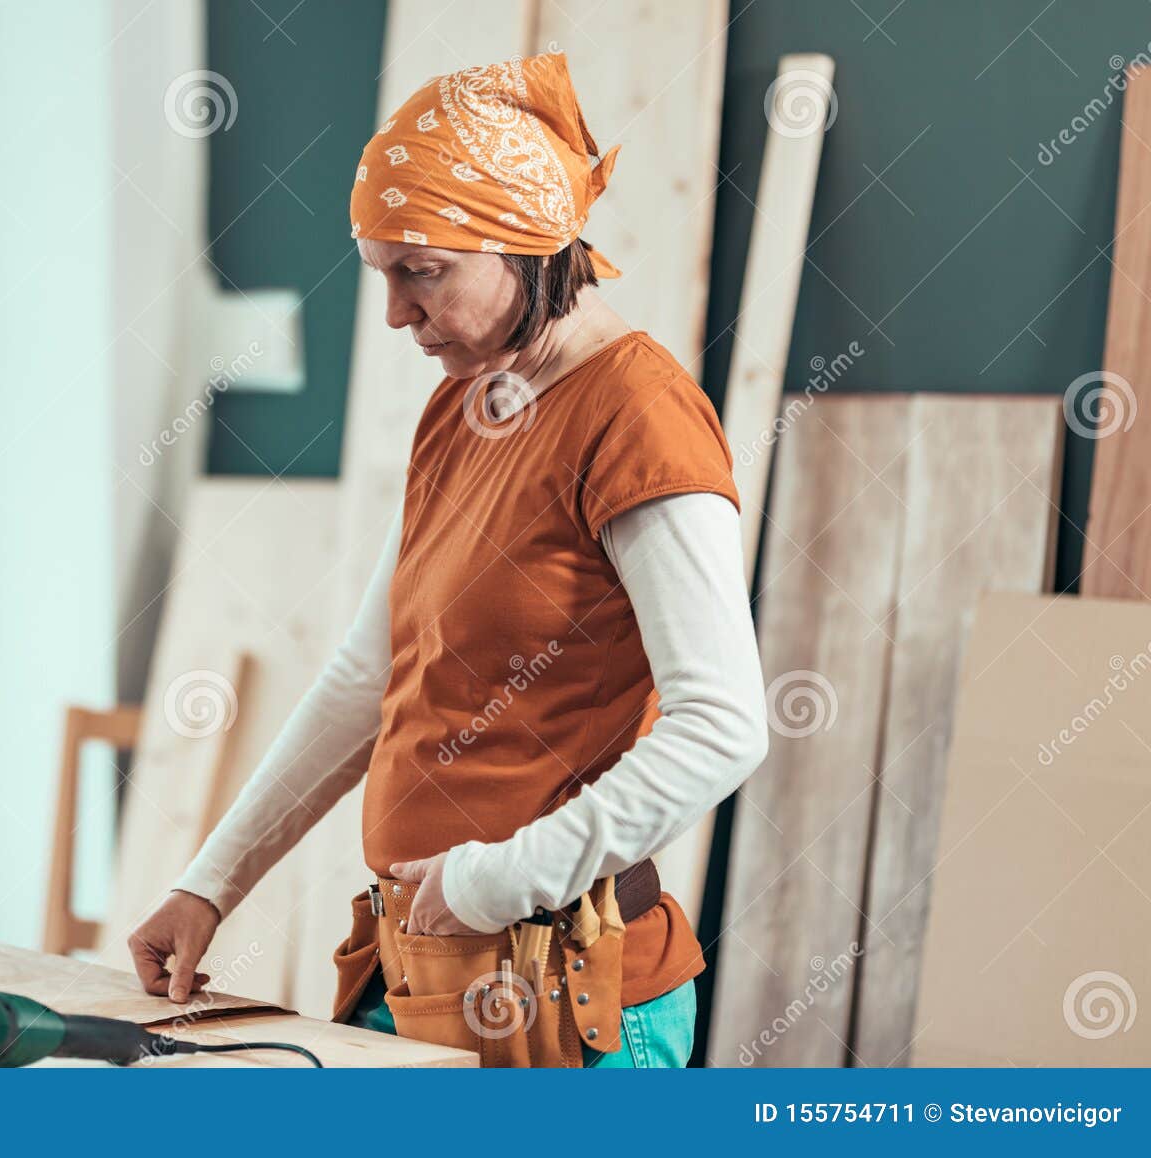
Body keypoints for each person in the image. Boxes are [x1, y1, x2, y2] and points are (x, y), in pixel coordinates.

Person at [129, 51, 767, 1067]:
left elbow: (723, 726)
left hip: (567, 1001)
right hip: (418, 977)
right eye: (381, 273)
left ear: (527, 242)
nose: (394, 314)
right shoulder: (465, 407)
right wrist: (212, 881)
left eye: (422, 271)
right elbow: (366, 678)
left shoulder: (638, 417)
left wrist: (490, 880)